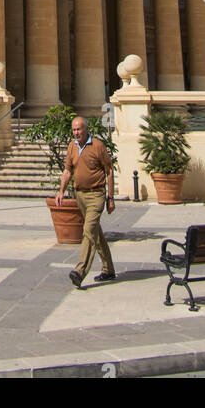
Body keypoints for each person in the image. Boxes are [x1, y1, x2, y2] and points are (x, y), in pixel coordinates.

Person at [56, 114, 116, 289]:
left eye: (79, 129)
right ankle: (108, 269)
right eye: (74, 129)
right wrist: (60, 192)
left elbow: (109, 171)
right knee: (96, 232)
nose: (76, 133)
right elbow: (68, 171)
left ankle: (80, 271)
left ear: (86, 129)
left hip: (96, 195)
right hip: (80, 195)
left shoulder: (97, 146)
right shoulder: (72, 147)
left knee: (88, 231)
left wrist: (110, 198)